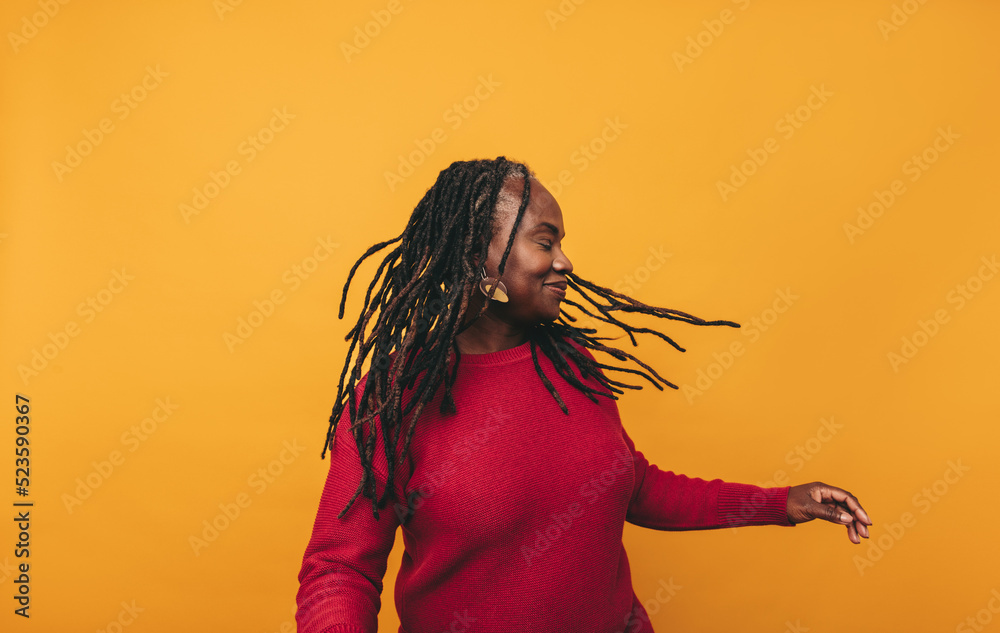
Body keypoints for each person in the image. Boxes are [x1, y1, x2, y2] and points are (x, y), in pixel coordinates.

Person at [295, 156, 872, 633]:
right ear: (481, 265)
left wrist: (779, 503)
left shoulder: (571, 367)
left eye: (562, 243)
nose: (565, 262)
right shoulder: (397, 401)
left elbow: (631, 484)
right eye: (545, 243)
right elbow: (340, 569)